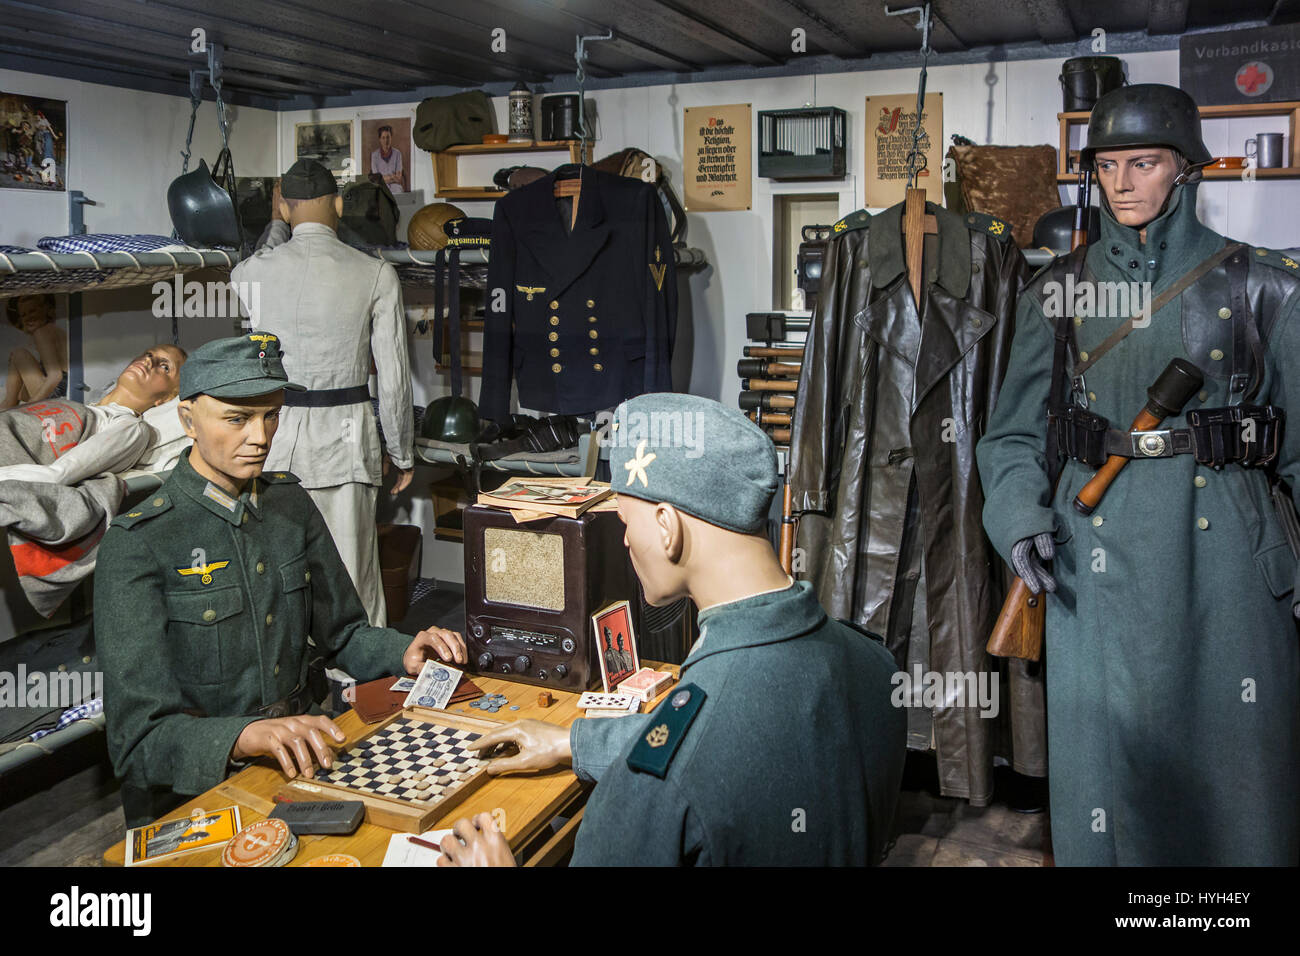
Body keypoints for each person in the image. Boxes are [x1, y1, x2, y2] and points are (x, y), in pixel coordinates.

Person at [976, 84, 1300, 865]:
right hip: (1097, 555)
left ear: (1187, 171)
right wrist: (1020, 519)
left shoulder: (1263, 285)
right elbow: (1011, 434)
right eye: (1109, 165)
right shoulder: (1057, 290)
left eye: (1144, 163)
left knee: (1239, 777)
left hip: (1227, 561)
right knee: (1109, 783)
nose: (1123, 183)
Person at [437, 393, 907, 866]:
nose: (624, 541)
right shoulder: (876, 666)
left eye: (624, 521)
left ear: (667, 527)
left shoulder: (650, 784)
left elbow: (697, 747)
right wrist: (572, 741)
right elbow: (742, 737)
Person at [94, 334, 464, 827]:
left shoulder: (288, 505)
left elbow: (345, 633)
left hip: (304, 759)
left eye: (271, 415)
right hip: (197, 789)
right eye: (237, 418)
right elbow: (137, 742)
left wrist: (404, 651)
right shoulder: (141, 540)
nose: (261, 437)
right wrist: (247, 736)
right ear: (187, 419)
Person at [232, 158, 414, 627]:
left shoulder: (249, 273)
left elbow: (259, 267)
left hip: (273, 439)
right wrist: (403, 453)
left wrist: (276, 222)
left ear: (286, 208)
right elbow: (392, 377)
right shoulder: (375, 274)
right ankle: (358, 682)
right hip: (346, 441)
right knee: (354, 576)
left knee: (277, 569)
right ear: (337, 203)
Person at [0, 343, 186, 485]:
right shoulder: (81, 407)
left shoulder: (130, 427)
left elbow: (58, 475)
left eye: (165, 367)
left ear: (168, 397)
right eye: (149, 354)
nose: (148, 361)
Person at [3, 294, 67, 409]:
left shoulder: (41, 333)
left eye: (32, 311)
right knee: (18, 389)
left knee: (19, 354)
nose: (28, 318)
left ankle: (8, 405)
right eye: (23, 315)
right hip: (63, 389)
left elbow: (56, 376)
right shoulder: (54, 330)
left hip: (58, 393)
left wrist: (28, 407)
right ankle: (9, 403)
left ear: (45, 310)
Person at [369, 125, 404, 194]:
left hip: (395, 187)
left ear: (391, 138)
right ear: (380, 139)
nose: (386, 140)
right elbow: (377, 179)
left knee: (398, 191)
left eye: (388, 137)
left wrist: (384, 178)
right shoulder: (374, 155)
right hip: (381, 186)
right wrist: (392, 177)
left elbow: (399, 178)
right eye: (383, 138)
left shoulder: (397, 153)